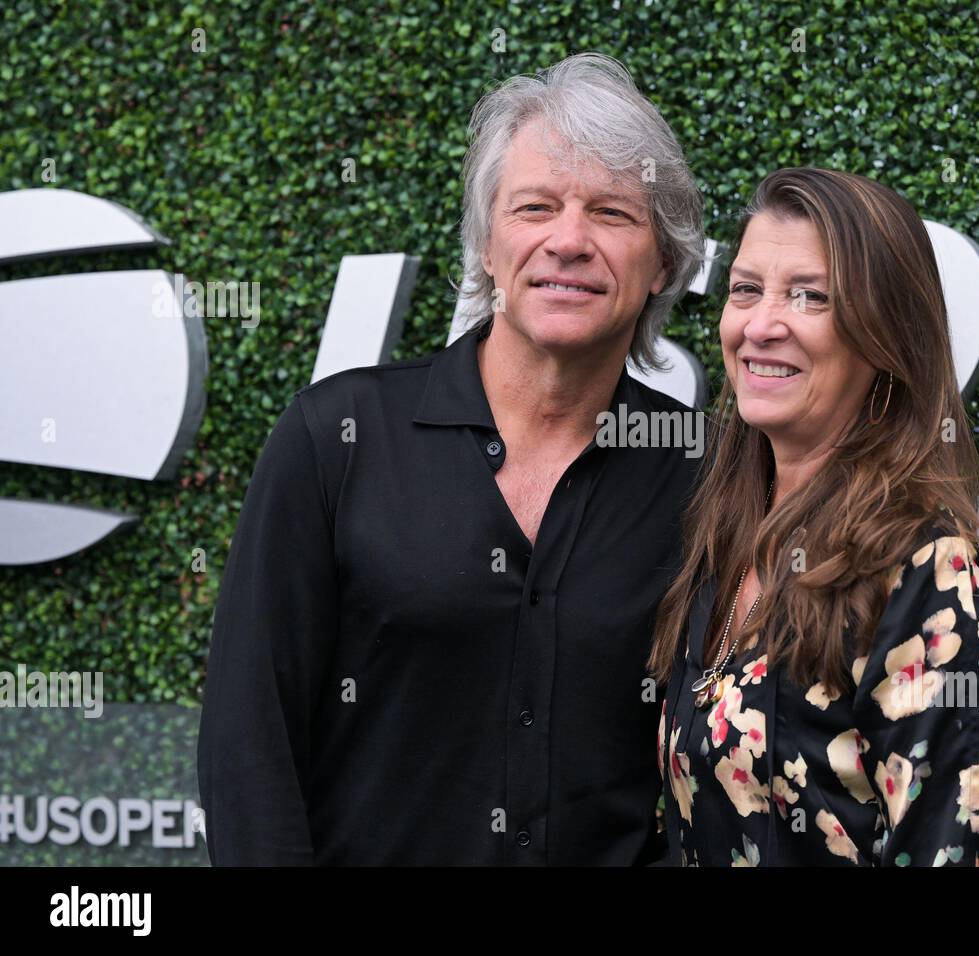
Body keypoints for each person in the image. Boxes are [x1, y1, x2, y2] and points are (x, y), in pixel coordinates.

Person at [198, 52, 706, 864]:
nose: (568, 241)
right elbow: (248, 744)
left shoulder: (706, 475)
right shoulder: (335, 438)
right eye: (535, 207)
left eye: (612, 214)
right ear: (487, 248)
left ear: (665, 264)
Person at [649, 167, 979, 866]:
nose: (760, 325)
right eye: (746, 289)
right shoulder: (723, 538)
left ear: (884, 337)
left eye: (810, 296)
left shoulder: (927, 577)